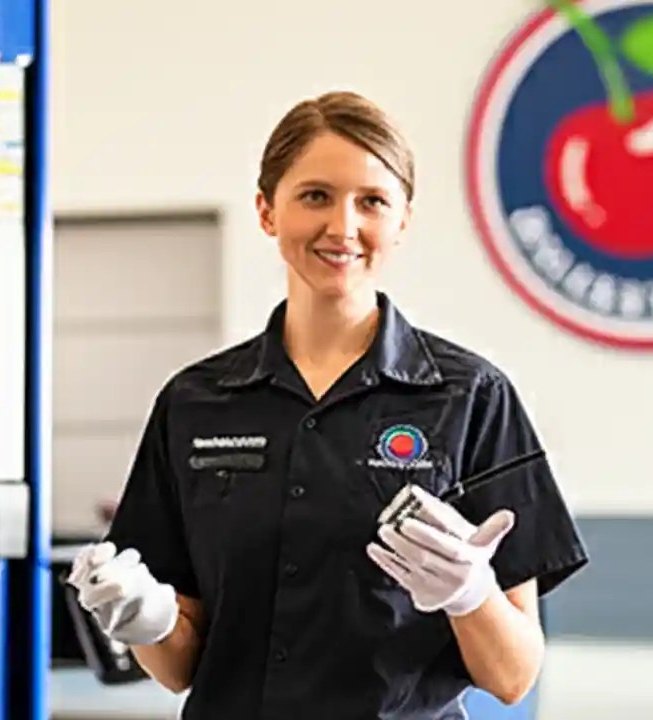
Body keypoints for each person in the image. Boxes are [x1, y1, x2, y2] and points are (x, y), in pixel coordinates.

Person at [63, 90, 589, 719]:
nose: (342, 227)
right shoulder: (195, 404)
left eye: (372, 201)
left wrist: (470, 595)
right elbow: (179, 669)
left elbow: (512, 677)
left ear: (403, 220)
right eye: (315, 196)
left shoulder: (471, 397)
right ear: (267, 211)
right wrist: (146, 622)